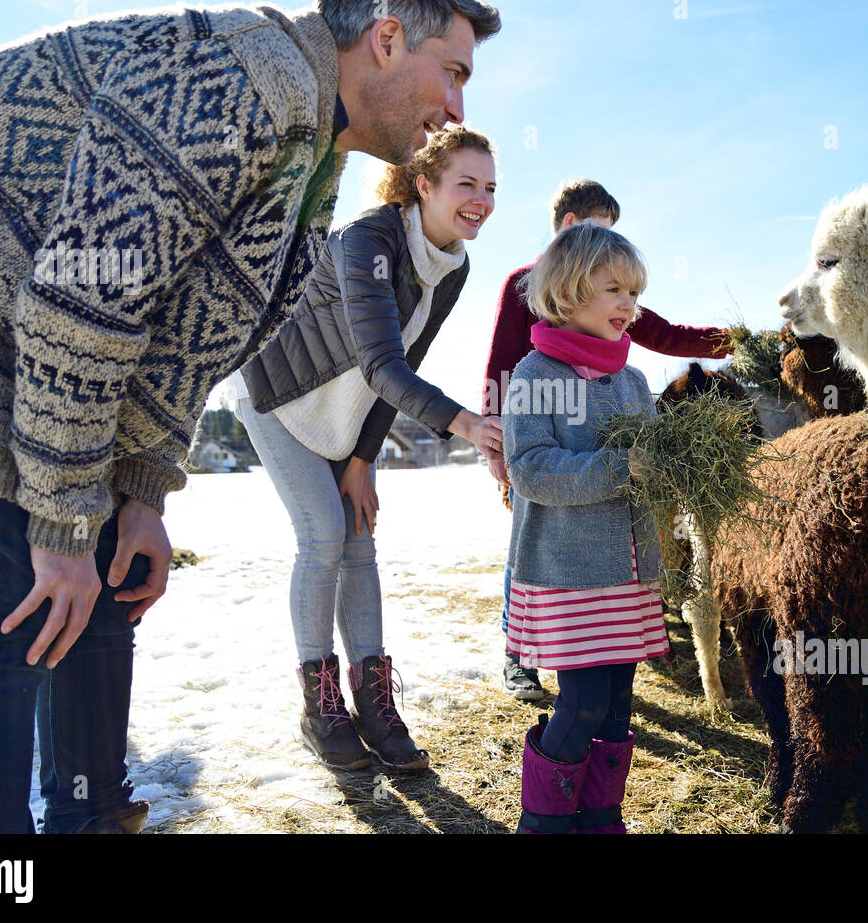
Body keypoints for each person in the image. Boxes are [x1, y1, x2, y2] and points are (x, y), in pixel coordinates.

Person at [0, 0, 499, 833]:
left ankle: (88, 816)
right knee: (4, 610)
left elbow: (184, 338)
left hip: (11, 333)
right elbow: (84, 296)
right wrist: (63, 522)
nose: (458, 107)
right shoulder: (245, 78)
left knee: (107, 580)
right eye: (456, 71)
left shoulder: (314, 155)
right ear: (387, 38)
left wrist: (137, 491)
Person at [226, 125, 503, 772]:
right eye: (466, 183)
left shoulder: (454, 265)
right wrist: (467, 423)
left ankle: (374, 704)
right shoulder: (367, 240)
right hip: (278, 386)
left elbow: (402, 364)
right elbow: (384, 364)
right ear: (424, 184)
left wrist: (362, 460)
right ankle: (319, 706)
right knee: (322, 534)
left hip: (347, 409)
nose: (481, 199)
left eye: (490, 187)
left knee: (357, 532)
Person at [483, 179, 726, 700]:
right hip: (533, 430)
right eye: (600, 230)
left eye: (631, 293)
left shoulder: (620, 341)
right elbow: (502, 363)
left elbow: (661, 333)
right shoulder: (526, 285)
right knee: (533, 541)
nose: (628, 303)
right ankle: (520, 652)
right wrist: (495, 440)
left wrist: (730, 341)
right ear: (572, 228)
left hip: (609, 505)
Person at [503, 222, 668, 834]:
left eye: (635, 292)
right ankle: (543, 823)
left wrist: (672, 468)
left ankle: (601, 817)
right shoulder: (535, 374)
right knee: (580, 703)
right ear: (569, 293)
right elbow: (531, 469)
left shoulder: (633, 381)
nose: (630, 304)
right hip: (570, 573)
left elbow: (653, 463)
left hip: (627, 574)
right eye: (615, 290)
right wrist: (622, 466)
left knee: (618, 705)